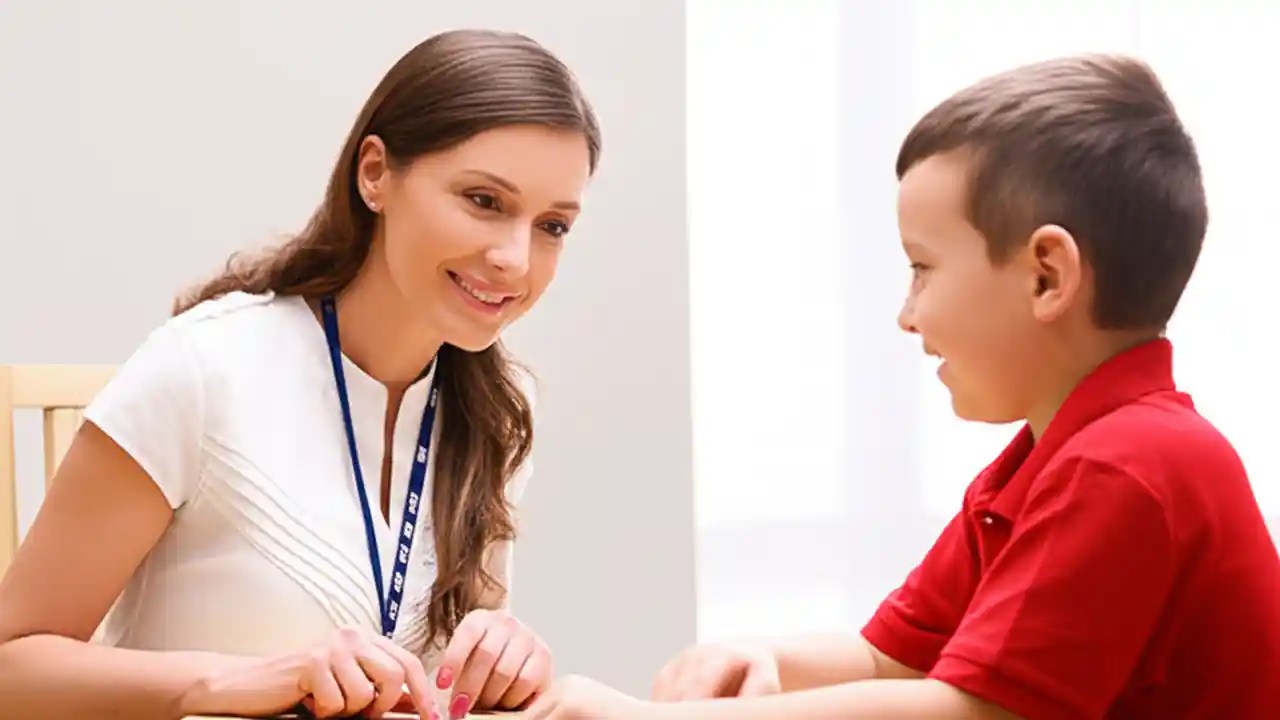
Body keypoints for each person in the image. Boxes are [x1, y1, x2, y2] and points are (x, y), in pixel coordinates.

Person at [522, 54, 1280, 719]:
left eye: (922, 268)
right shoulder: (1044, 464)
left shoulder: (1129, 464)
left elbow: (978, 713)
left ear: (1047, 275)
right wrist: (767, 660)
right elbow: (900, 660)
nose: (907, 315)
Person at [0, 28, 599, 720]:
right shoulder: (205, 368)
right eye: (483, 200)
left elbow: (447, 692)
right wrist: (225, 683)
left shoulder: (498, 406)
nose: (515, 260)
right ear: (374, 174)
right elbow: (10, 665)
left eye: (552, 225)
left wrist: (499, 658)